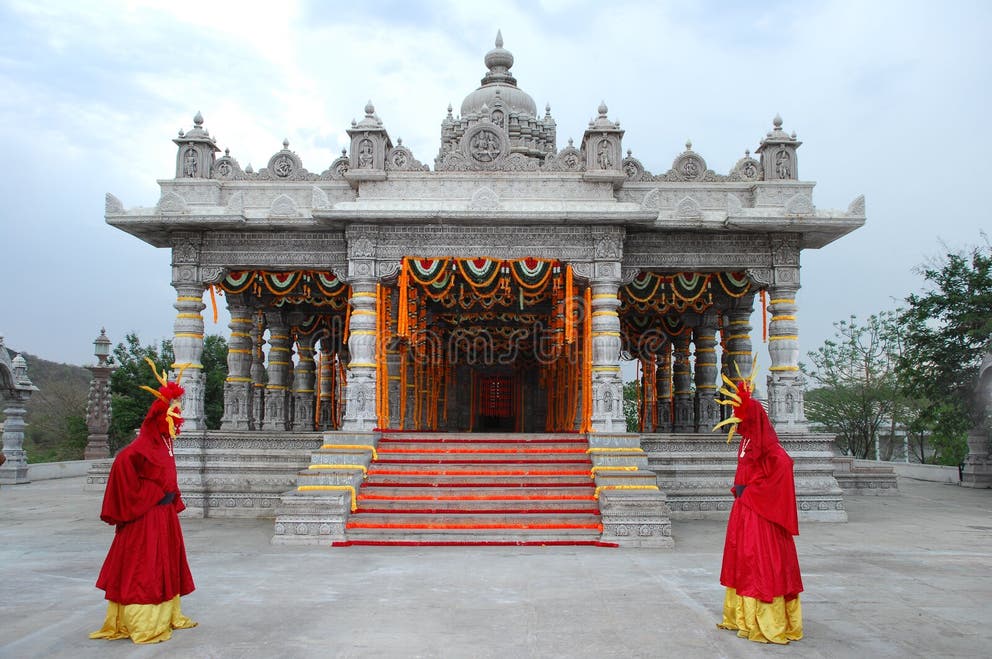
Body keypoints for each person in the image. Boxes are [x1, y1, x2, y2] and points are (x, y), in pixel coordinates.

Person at [89, 359, 197, 644]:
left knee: (164, 565)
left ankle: (167, 614)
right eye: (173, 415)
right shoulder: (135, 451)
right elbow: (123, 486)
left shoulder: (165, 444)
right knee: (143, 568)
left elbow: (167, 477)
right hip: (145, 520)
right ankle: (143, 621)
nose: (177, 420)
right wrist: (153, 497)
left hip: (164, 518)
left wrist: (171, 499)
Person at [713, 368, 803, 644]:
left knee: (762, 564)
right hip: (744, 511)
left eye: (742, 416)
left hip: (760, 514)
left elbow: (784, 469)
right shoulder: (747, 441)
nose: (737, 421)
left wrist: (752, 494)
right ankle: (742, 617)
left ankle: (767, 622)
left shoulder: (772, 448)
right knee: (743, 560)